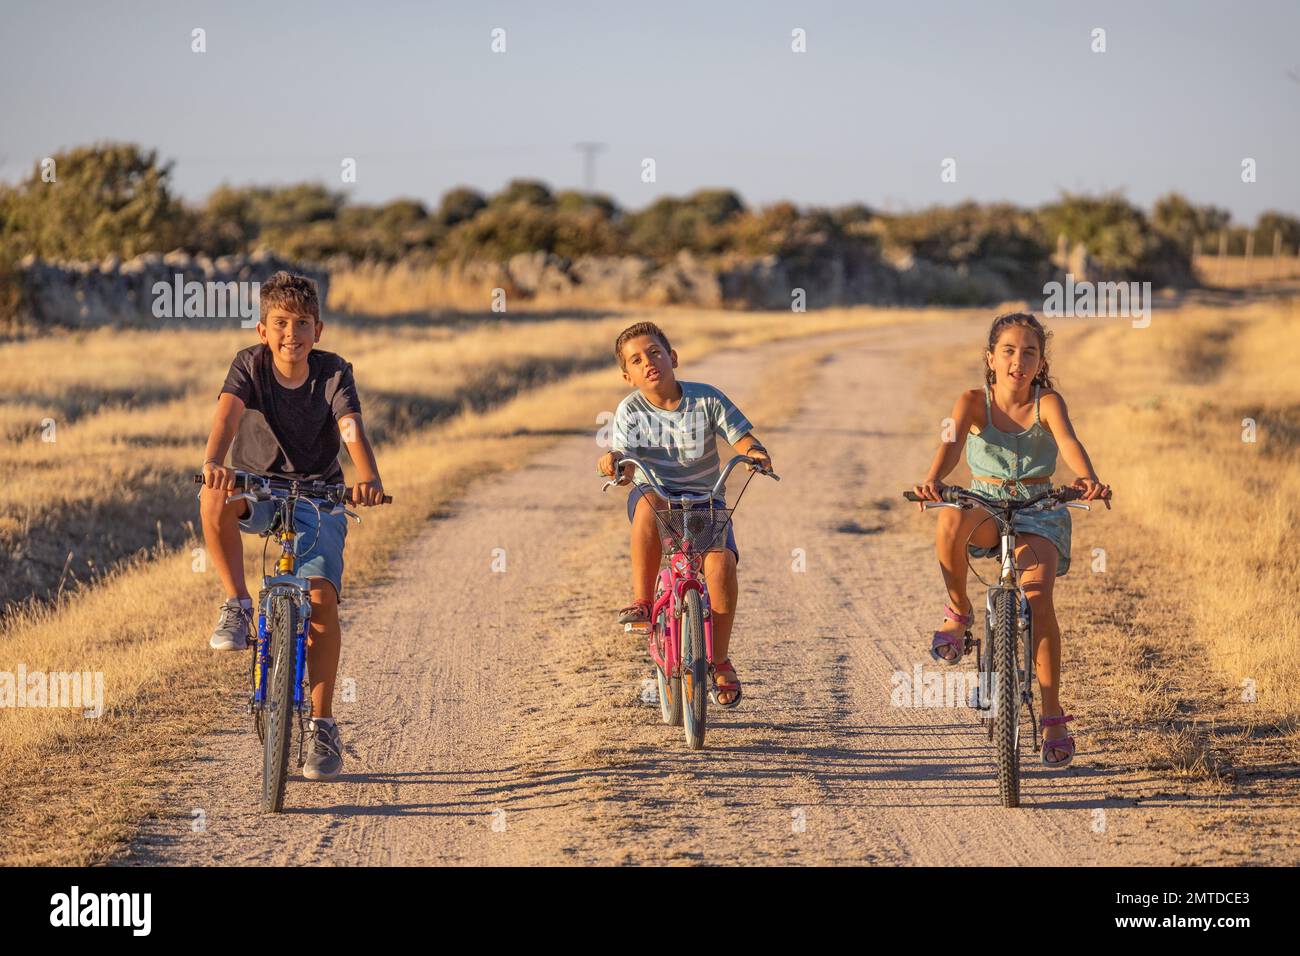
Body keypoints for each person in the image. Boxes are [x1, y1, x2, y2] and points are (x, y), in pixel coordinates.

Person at [197, 271, 386, 780]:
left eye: (302, 323)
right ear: (263, 330)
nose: (291, 334)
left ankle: (322, 726)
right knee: (214, 496)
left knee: (321, 598)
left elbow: (351, 428)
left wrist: (367, 477)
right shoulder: (248, 365)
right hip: (257, 487)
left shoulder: (333, 372)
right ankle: (236, 605)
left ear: (318, 330)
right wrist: (214, 460)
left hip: (320, 494)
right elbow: (226, 419)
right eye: (280, 323)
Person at [912, 311, 1111, 767]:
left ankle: (1052, 713)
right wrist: (931, 480)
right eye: (1008, 351)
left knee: (1039, 600)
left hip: (1039, 510)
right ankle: (958, 610)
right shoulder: (972, 401)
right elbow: (951, 444)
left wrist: (1088, 478)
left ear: (1040, 363)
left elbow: (1070, 443)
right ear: (991, 358)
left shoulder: (1048, 402)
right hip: (984, 502)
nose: (1018, 360)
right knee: (949, 518)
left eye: (1029, 352)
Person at [597, 321, 772, 708]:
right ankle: (643, 601)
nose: (649, 363)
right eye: (637, 360)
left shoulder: (706, 398)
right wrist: (616, 465)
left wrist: (754, 452)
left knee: (722, 565)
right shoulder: (630, 410)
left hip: (705, 500)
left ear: (673, 357)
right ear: (628, 376)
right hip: (657, 496)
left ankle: (720, 659)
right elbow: (623, 455)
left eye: (655, 353)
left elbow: (740, 435)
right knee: (647, 502)